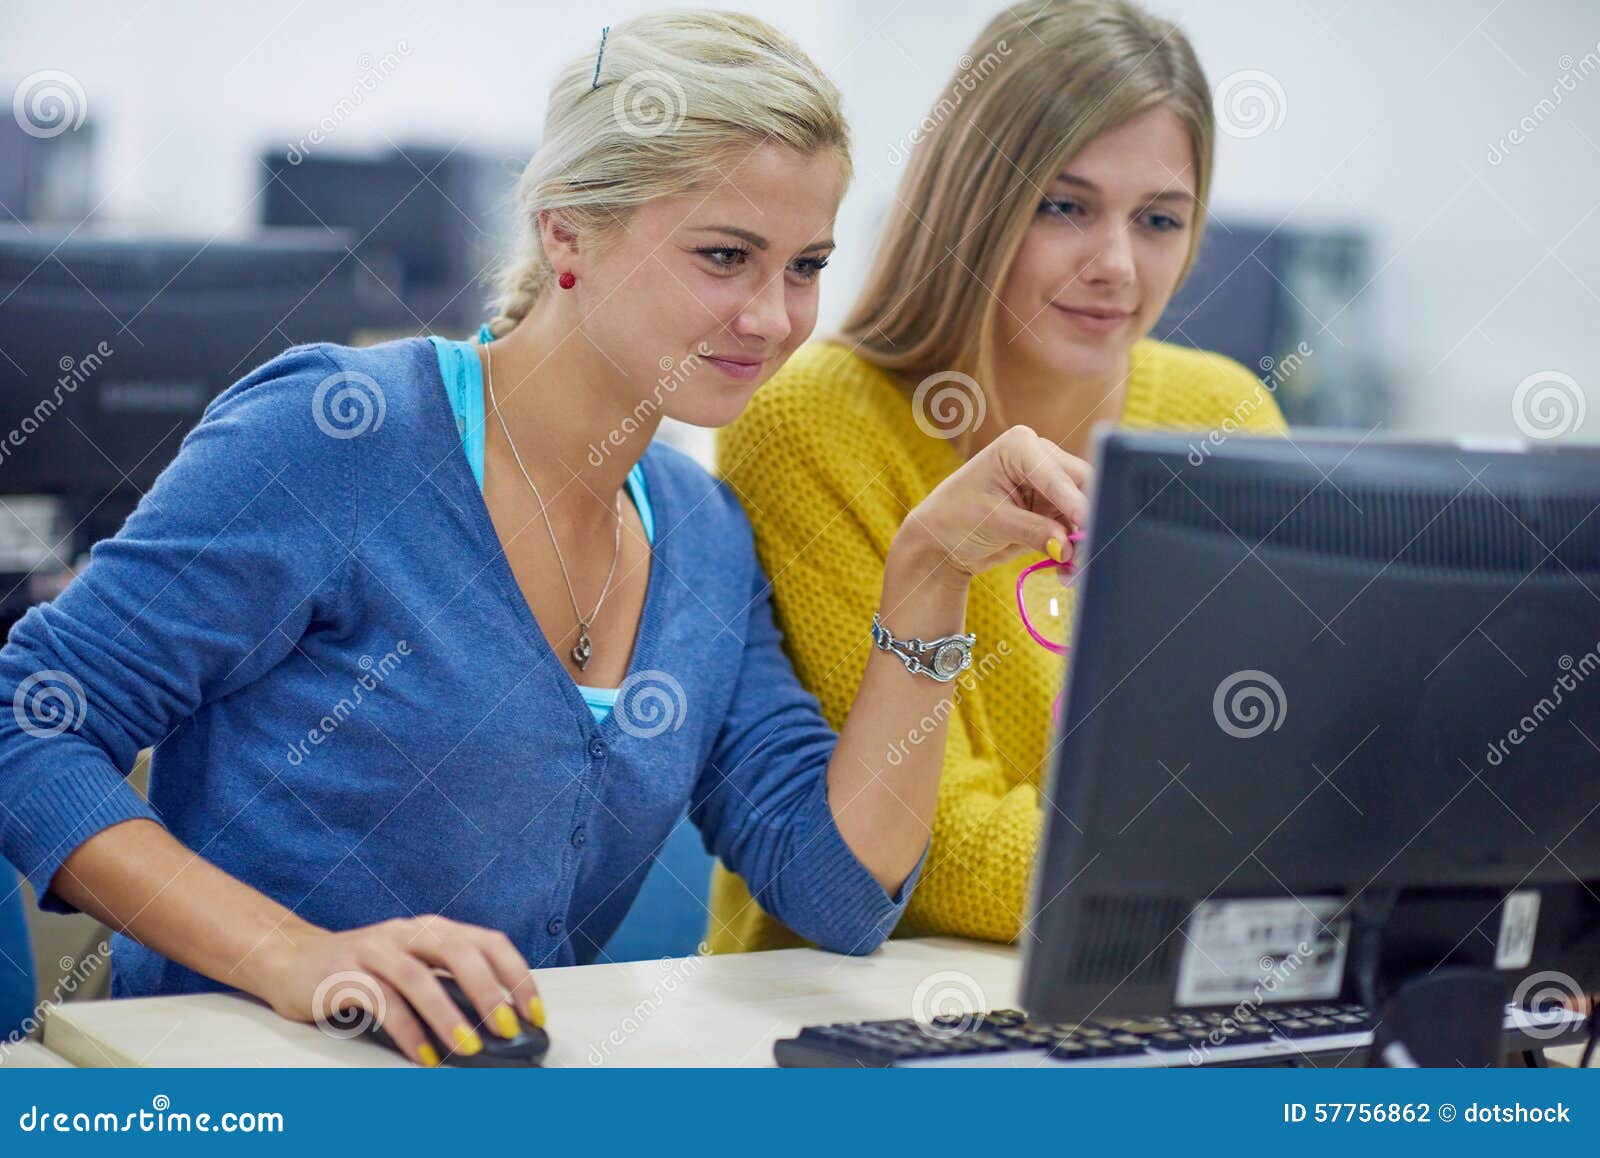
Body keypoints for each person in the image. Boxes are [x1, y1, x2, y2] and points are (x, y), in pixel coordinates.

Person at [0, 11, 1089, 1067]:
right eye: (724, 256)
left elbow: (837, 888)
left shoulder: (702, 535)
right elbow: (30, 723)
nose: (773, 317)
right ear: (566, 231)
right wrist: (293, 955)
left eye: (805, 266)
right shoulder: (345, 434)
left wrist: (930, 575)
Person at [707, 0, 1289, 953]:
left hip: (1160, 984)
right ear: (973, 205)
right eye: (1065, 206)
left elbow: (1272, 773)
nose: (1115, 265)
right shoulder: (814, 423)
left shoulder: (1223, 416)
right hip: (869, 1010)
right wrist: (1257, 889)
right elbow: (937, 851)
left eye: (1158, 220)